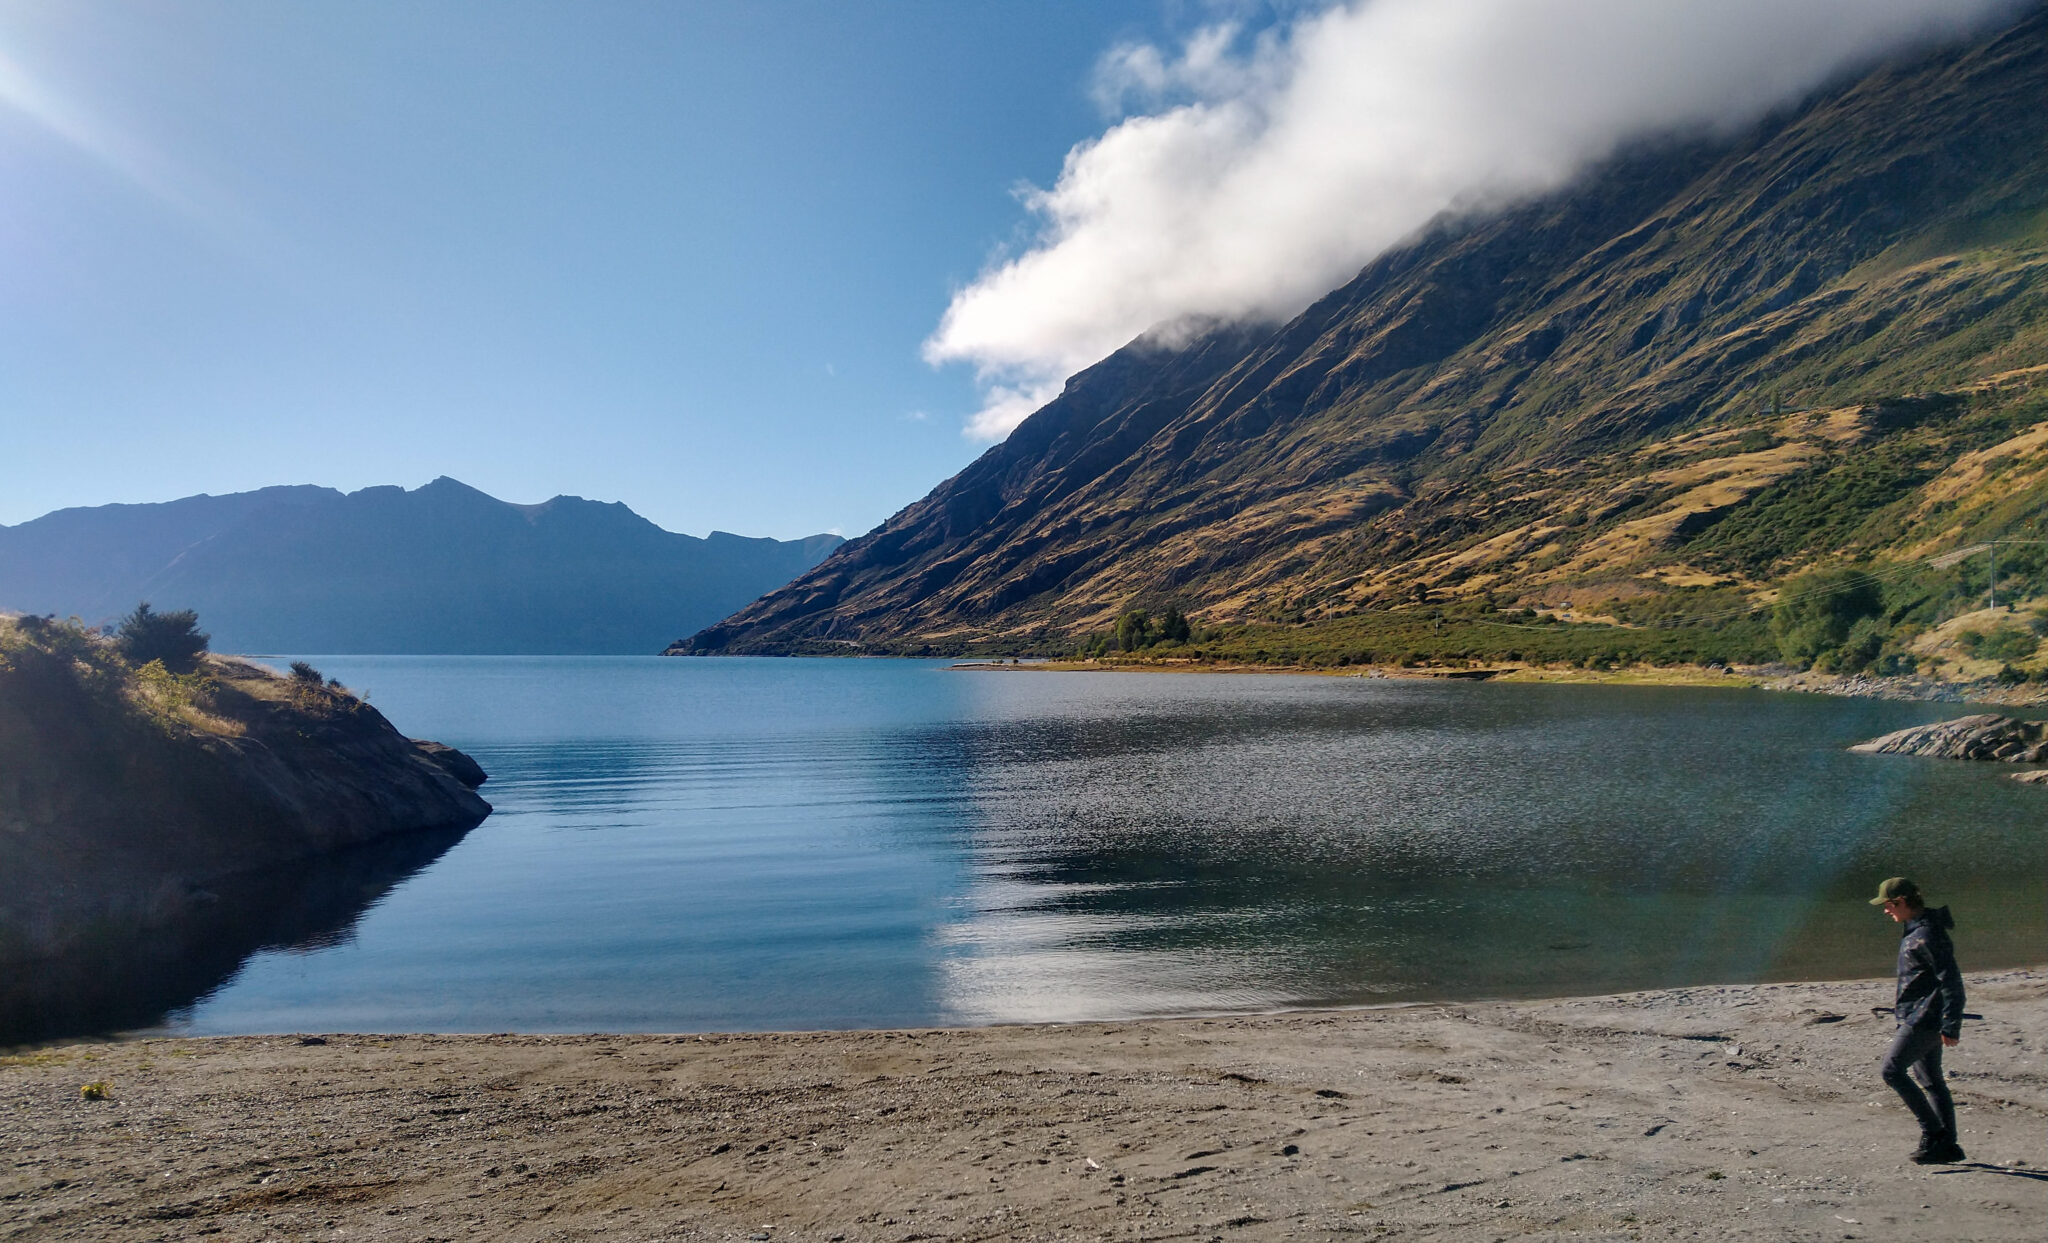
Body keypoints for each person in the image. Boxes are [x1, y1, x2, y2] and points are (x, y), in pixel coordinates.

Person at [1870, 876, 1967, 1164]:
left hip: (1924, 1019)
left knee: (1891, 1071)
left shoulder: (1926, 935)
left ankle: (1934, 1134)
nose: (1886, 910)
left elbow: (1952, 982)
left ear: (1900, 902)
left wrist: (1951, 1024)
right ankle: (1948, 1146)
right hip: (1918, 1015)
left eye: (1888, 905)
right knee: (1931, 1081)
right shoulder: (1916, 929)